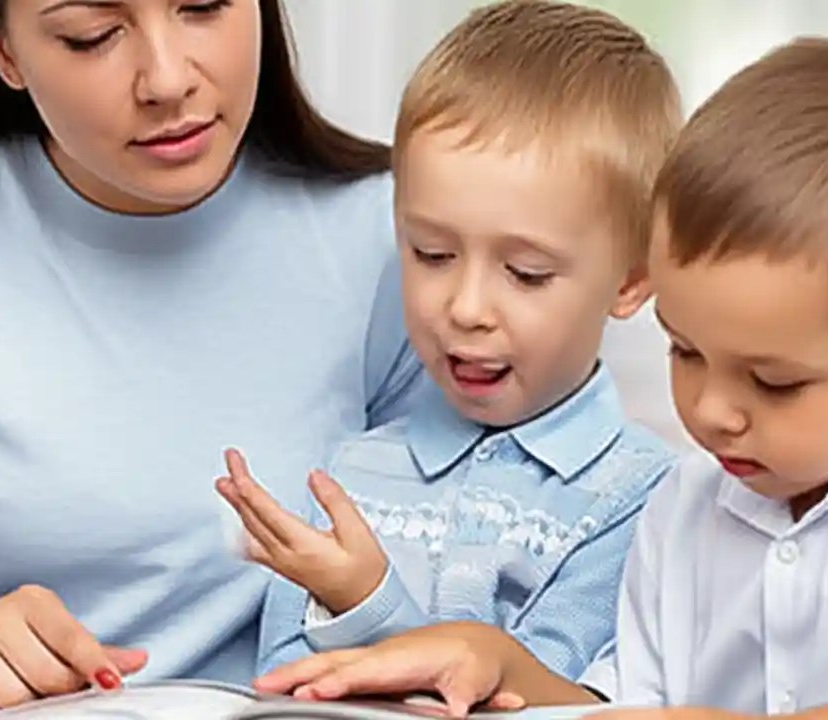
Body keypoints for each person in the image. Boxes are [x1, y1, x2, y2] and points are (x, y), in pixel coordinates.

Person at [0, 0, 424, 709]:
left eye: (203, 6)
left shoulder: (408, 245)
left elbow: (490, 598)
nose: (165, 79)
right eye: (93, 36)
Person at [252, 36, 828, 720]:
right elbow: (611, 705)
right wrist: (490, 658)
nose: (712, 412)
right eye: (685, 353)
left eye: (774, 382)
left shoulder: (636, 493)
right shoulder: (685, 512)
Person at [216, 0, 680, 683]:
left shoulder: (641, 498)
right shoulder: (353, 471)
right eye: (431, 254)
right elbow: (280, 688)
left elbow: (541, 697)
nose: (464, 309)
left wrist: (367, 604)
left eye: (525, 273)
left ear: (632, 280)